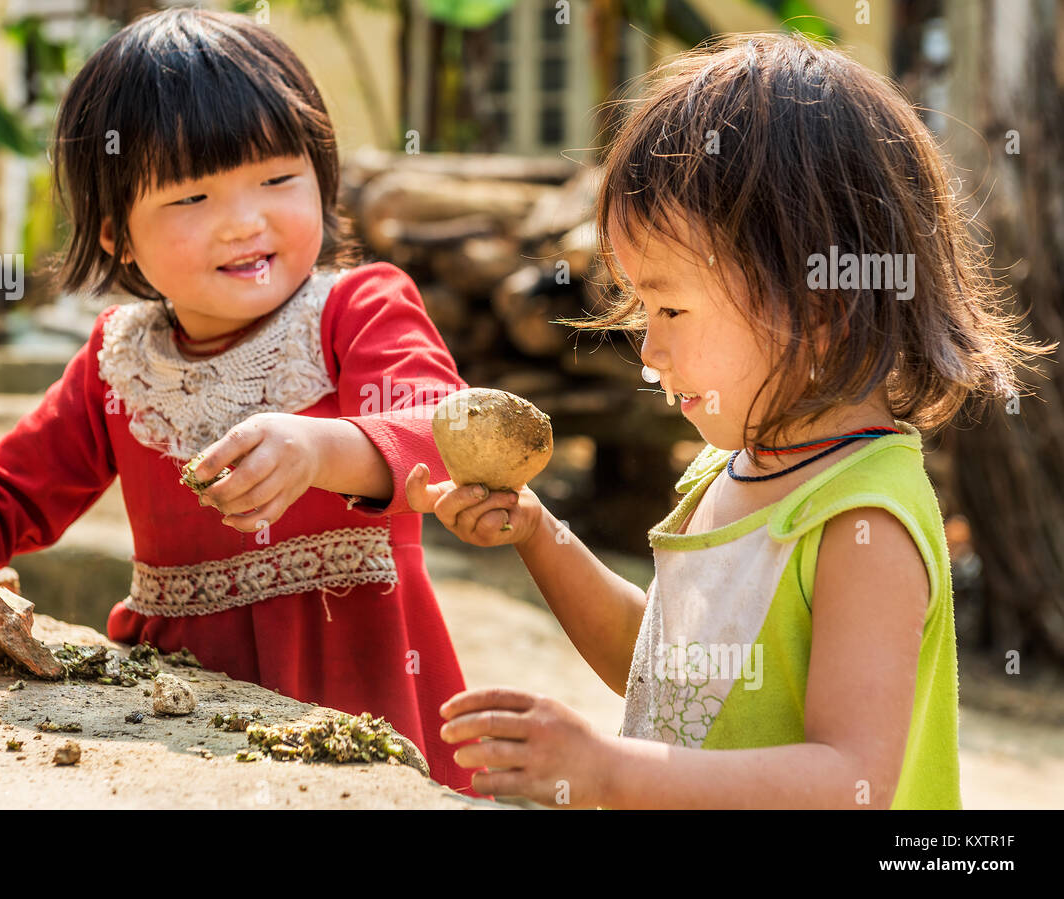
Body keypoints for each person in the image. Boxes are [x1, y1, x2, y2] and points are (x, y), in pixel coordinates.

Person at [407, 32, 1053, 808]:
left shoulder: (864, 523)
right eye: (643, 309)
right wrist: (538, 533)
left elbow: (849, 777)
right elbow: (677, 678)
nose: (650, 348)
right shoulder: (727, 467)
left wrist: (609, 769)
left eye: (672, 307)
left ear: (822, 307)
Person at [0, 7, 474, 793]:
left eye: (278, 179)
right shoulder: (119, 362)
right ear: (118, 234)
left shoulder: (357, 310)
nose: (244, 222)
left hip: (368, 703)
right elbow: (4, 491)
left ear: (321, 177)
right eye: (192, 199)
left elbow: (441, 430)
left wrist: (321, 451)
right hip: (182, 726)